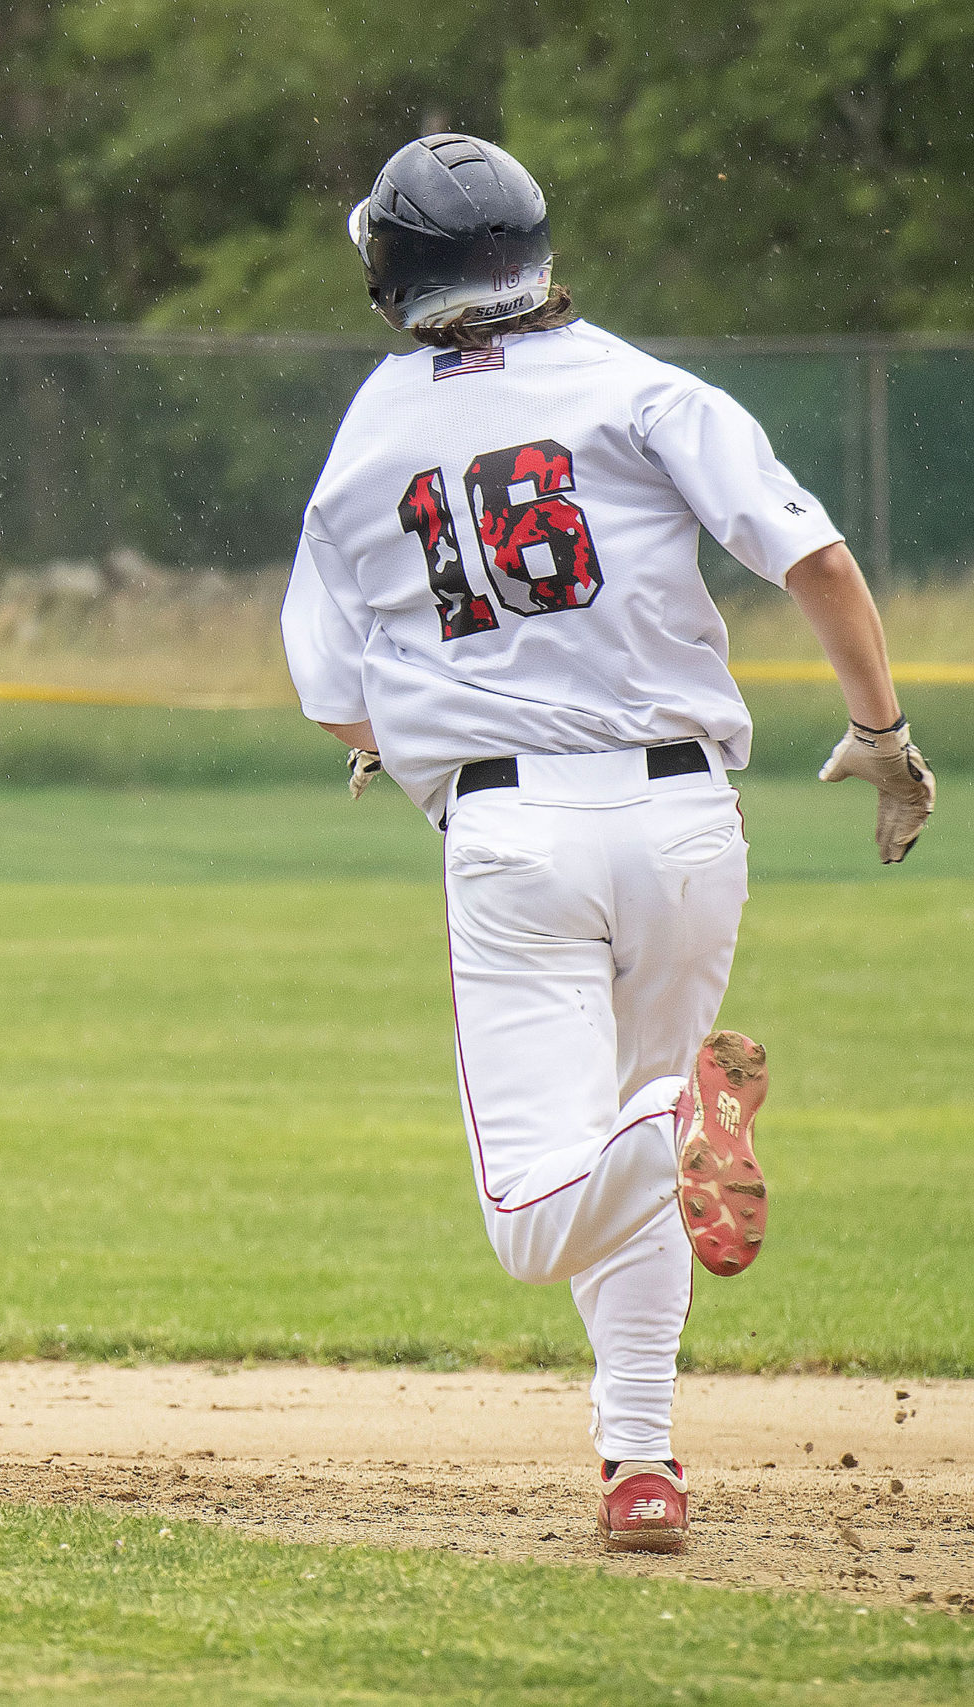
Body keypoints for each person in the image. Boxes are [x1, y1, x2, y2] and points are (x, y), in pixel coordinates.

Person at [281, 135, 935, 1553]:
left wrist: (398, 721)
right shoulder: (643, 387)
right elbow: (812, 554)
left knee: (545, 1205)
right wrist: (880, 734)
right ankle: (640, 1458)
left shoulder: (367, 439)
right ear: (535, 247)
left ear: (390, 273)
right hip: (690, 817)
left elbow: (333, 690)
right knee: (639, 1167)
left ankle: (673, 1117)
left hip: (517, 835)